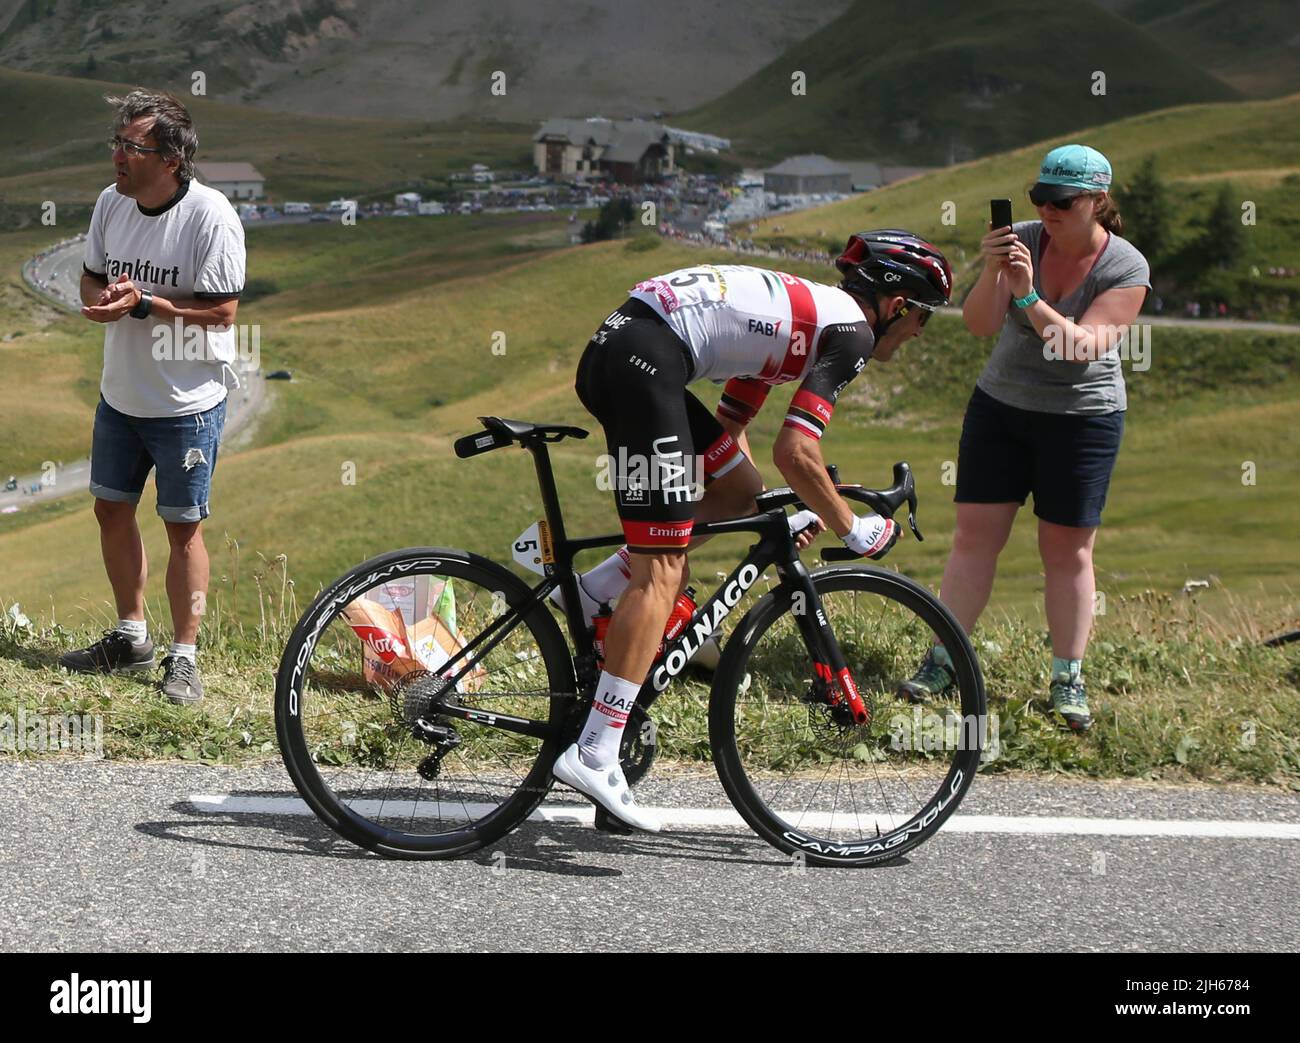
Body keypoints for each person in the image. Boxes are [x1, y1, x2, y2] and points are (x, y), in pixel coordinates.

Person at [554, 232, 952, 829]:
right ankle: (596, 751)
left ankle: (590, 593)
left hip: (627, 349)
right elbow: (798, 451)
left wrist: (775, 513)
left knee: (739, 490)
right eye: (921, 317)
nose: (918, 332)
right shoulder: (853, 333)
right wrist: (855, 526)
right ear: (897, 304)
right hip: (646, 363)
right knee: (663, 571)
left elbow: (733, 438)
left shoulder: (802, 321)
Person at [898, 144, 1149, 731]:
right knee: (973, 539)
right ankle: (944, 659)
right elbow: (982, 325)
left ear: (1096, 201)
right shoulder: (1023, 240)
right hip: (1001, 408)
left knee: (1066, 552)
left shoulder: (1126, 268)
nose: (1047, 210)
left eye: (1061, 201)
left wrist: (1030, 295)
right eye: (1040, 198)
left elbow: (1079, 349)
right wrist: (994, 272)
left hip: (1082, 418)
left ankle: (1067, 678)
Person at [57, 90, 246, 705]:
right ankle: (131, 635)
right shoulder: (111, 203)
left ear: (170, 159)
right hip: (121, 395)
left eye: (132, 146)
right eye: (116, 142)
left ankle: (184, 656)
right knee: (110, 509)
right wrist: (102, 295)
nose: (117, 155)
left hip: (186, 402)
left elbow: (222, 312)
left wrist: (145, 303)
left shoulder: (211, 216)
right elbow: (90, 270)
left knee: (182, 527)